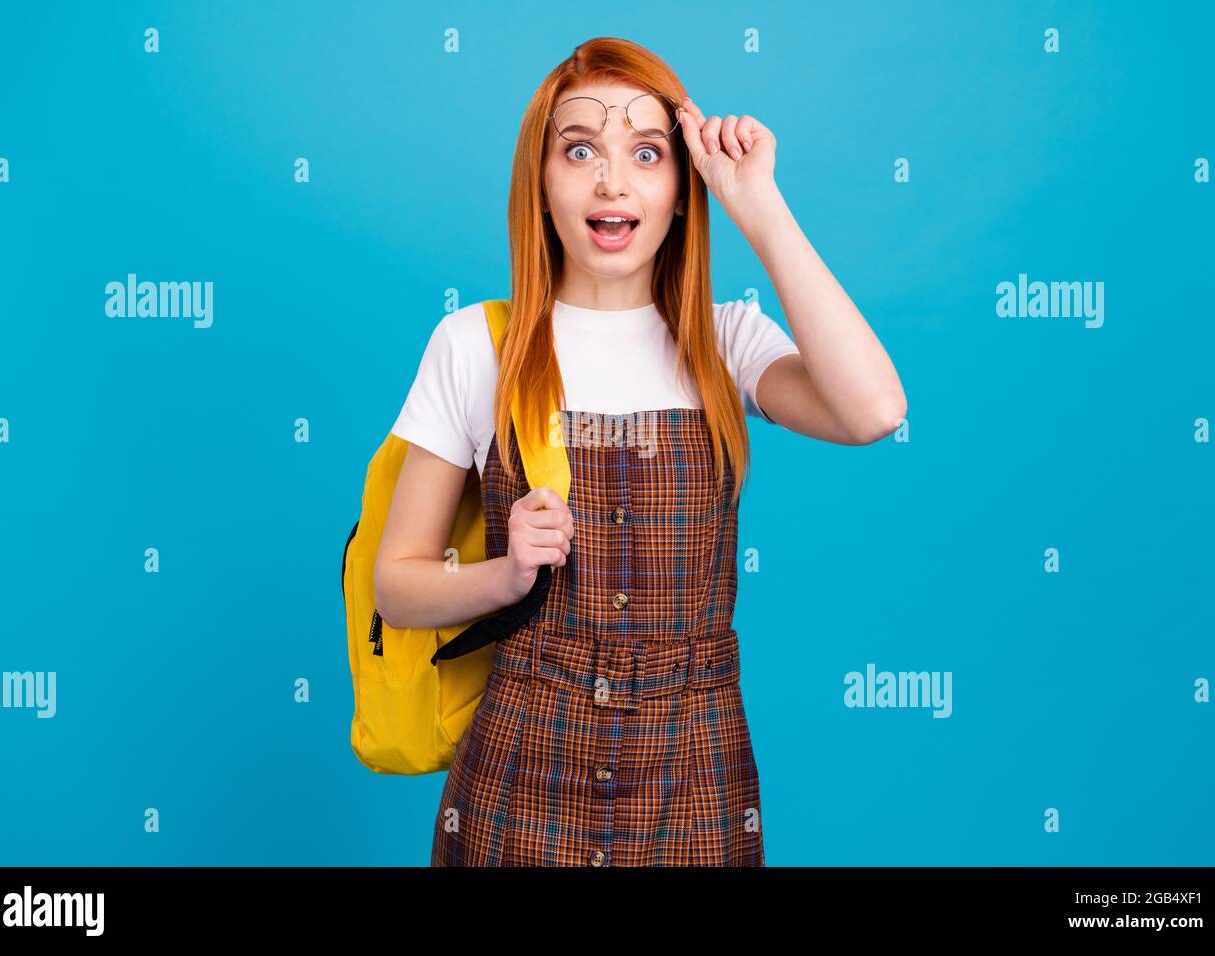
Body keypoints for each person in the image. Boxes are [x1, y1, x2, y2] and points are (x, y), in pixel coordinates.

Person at [376, 36, 907, 866]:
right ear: (540, 183)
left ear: (680, 193)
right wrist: (504, 574)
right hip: (518, 780)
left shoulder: (726, 342)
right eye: (579, 149)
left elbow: (873, 410)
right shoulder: (479, 345)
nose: (611, 181)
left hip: (695, 779)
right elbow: (395, 584)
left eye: (647, 154)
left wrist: (757, 205)